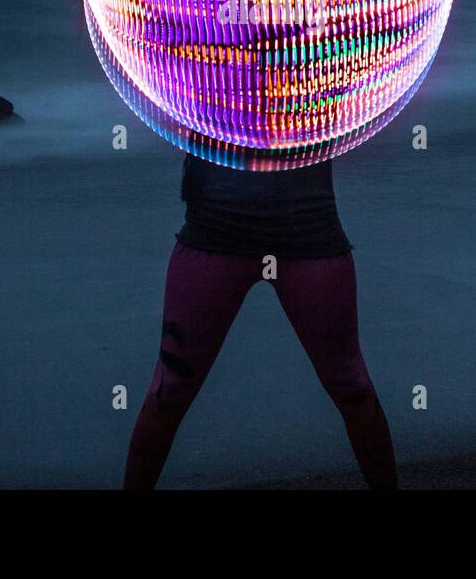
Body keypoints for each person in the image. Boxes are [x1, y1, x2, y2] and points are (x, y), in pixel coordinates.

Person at [123, 152, 398, 489]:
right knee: (170, 388)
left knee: (351, 385)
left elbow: (348, 119)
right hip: (216, 228)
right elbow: (171, 114)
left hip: (308, 229)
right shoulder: (207, 97)